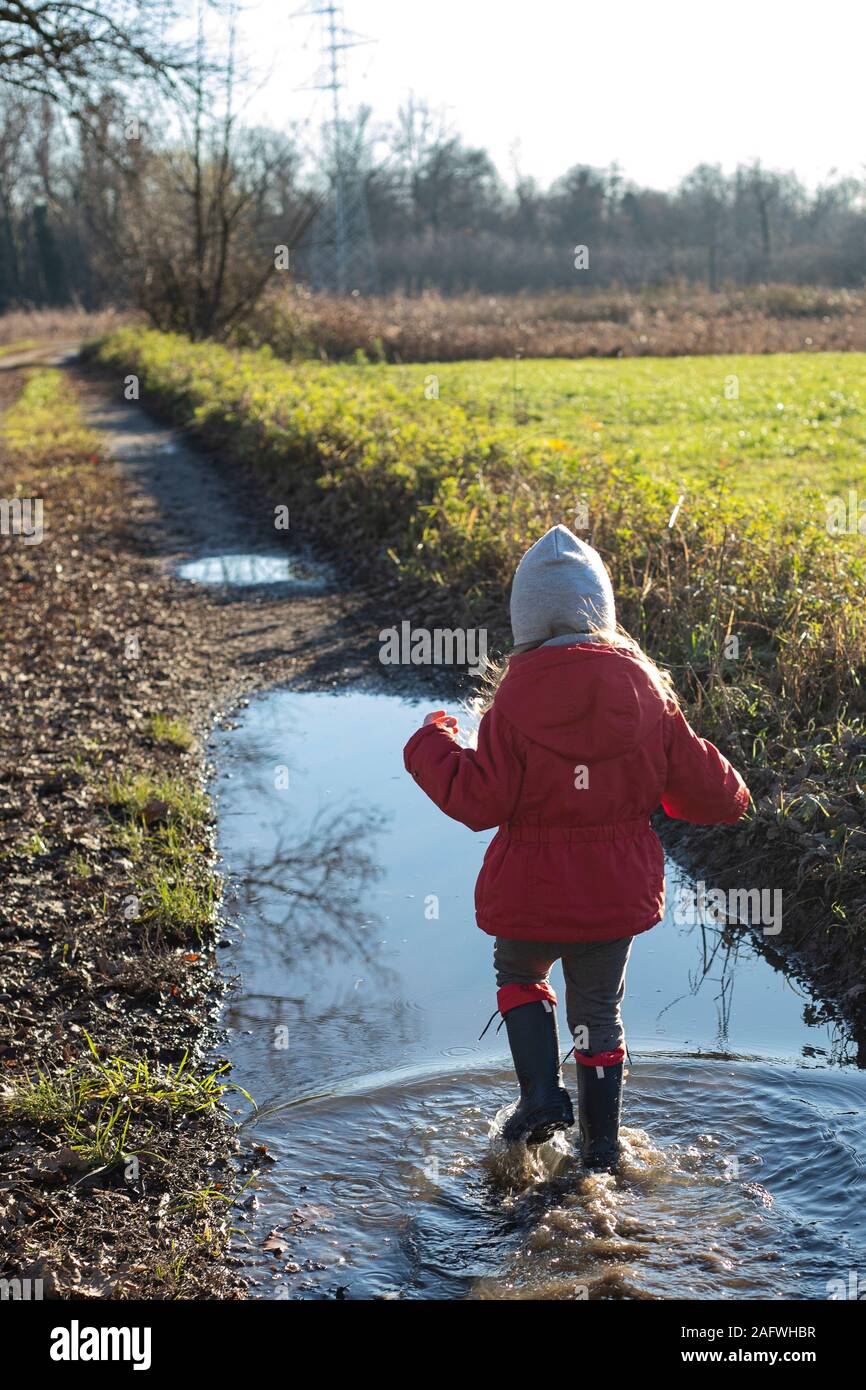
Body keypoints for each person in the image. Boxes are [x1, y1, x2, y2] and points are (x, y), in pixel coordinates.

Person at [403, 524, 749, 1171]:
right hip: (612, 901)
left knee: (521, 975)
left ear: (524, 622)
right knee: (598, 1013)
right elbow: (704, 789)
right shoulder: (647, 692)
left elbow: (477, 800)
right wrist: (732, 788)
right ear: (605, 615)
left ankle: (538, 1095)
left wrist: (431, 742)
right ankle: (603, 1149)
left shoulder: (515, 698)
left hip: (528, 894)